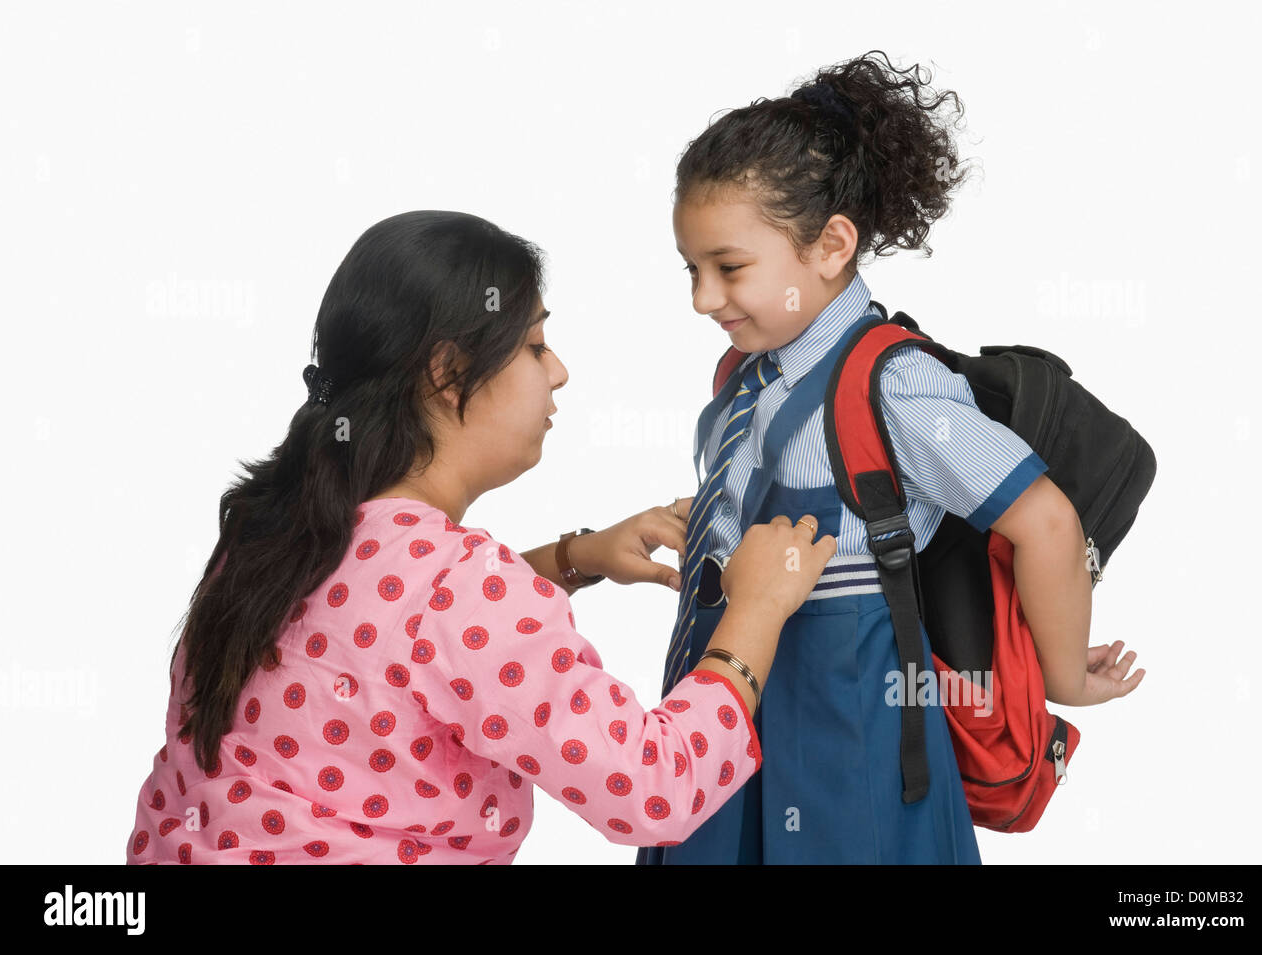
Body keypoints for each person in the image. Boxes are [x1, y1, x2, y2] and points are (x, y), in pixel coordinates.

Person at [124, 210, 837, 864]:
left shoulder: (270, 525)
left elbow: (380, 631)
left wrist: (570, 558)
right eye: (534, 345)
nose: (558, 371)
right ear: (448, 372)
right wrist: (756, 609)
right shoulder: (457, 590)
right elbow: (656, 783)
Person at [639, 52, 1145, 866]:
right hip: (721, 732)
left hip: (847, 760)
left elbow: (1046, 519)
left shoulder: (894, 385)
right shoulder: (741, 378)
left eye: (728, 268)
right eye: (691, 270)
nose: (703, 297)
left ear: (833, 244)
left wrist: (1065, 677)